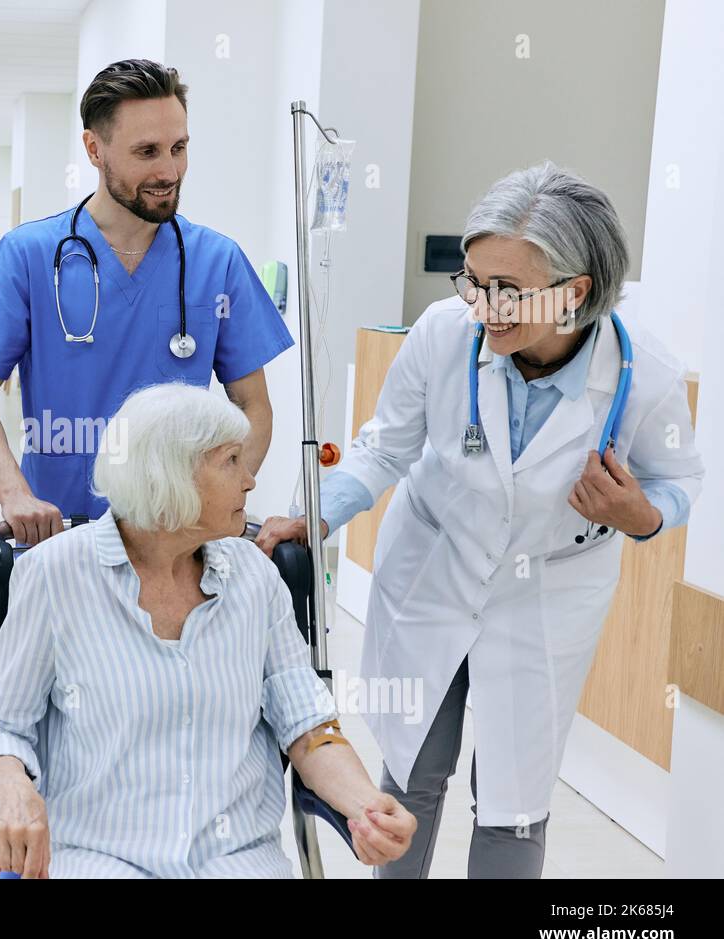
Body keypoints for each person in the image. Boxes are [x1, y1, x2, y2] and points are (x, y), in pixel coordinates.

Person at [256, 162, 705, 877]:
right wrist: (313, 518)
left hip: (545, 602)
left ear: (575, 293)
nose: (484, 307)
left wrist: (640, 514)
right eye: (474, 281)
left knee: (514, 804)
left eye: (508, 291)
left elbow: (679, 481)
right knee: (410, 778)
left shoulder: (641, 374)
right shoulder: (443, 335)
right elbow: (384, 448)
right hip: (433, 574)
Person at [0, 383, 417, 878]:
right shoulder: (55, 576)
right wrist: (10, 786)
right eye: (231, 462)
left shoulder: (256, 577)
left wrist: (366, 806)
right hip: (99, 859)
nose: (249, 482)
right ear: (170, 476)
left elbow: (308, 726)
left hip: (236, 862)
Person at [0, 59, 291, 545]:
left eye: (179, 148)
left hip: (175, 541)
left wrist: (220, 496)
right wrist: (14, 495)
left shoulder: (218, 262)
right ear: (94, 149)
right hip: (59, 535)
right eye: (147, 151)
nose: (168, 171)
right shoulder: (30, 256)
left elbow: (254, 405)